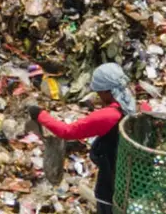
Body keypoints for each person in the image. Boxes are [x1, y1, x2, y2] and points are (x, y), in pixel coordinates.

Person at [38, 62, 136, 213]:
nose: (98, 96)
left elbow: (67, 132)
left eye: (99, 92)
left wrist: (40, 115)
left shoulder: (108, 116)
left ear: (106, 91)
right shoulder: (133, 105)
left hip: (112, 183)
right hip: (134, 179)